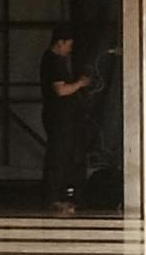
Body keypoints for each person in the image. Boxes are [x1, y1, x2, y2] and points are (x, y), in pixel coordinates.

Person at [39, 27, 100, 214]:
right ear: (60, 42)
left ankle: (63, 196)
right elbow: (61, 90)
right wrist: (80, 83)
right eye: (69, 45)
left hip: (64, 117)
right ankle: (53, 198)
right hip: (58, 117)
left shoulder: (57, 61)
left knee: (66, 156)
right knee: (57, 156)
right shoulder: (52, 61)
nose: (70, 49)